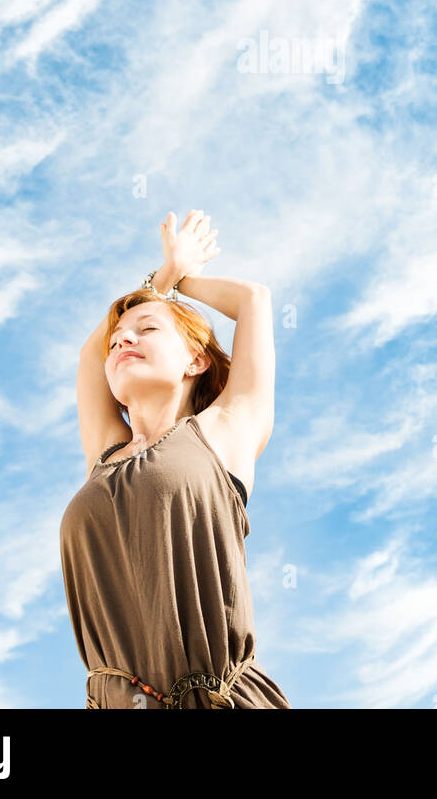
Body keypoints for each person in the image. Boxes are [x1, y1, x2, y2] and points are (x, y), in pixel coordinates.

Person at [59, 208, 291, 709]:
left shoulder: (225, 430)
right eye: (118, 337)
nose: (123, 338)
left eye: (148, 329)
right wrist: (159, 279)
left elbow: (254, 301)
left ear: (196, 359)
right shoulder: (103, 453)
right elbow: (87, 356)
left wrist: (181, 276)